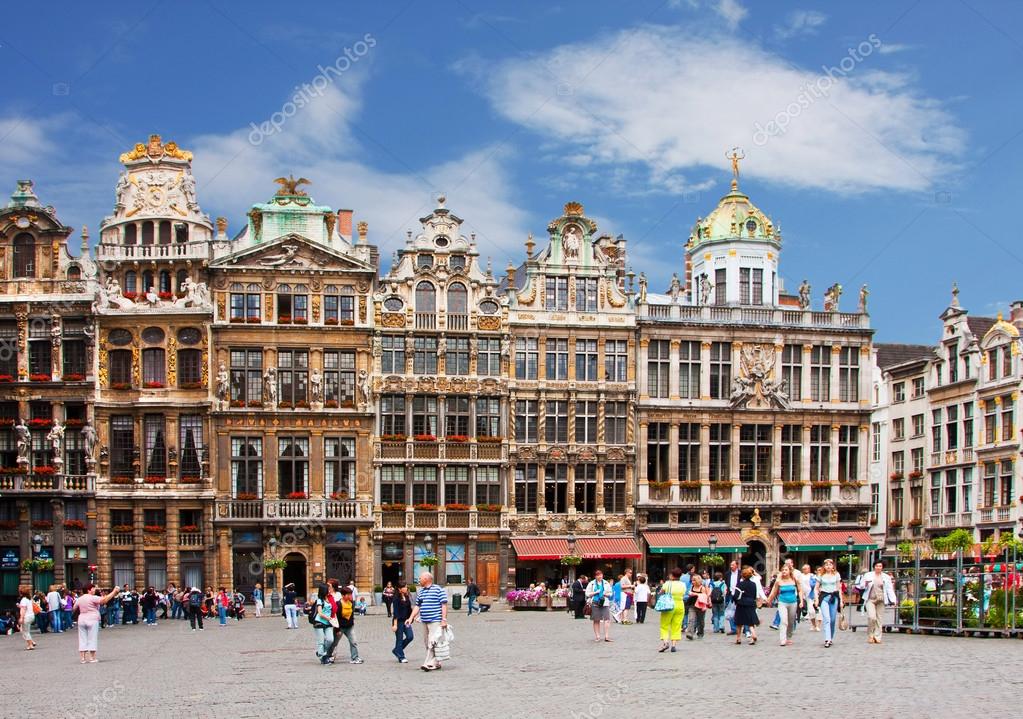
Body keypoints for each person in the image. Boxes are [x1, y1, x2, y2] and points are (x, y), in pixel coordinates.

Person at [406, 571, 448, 672]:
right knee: (426, 641)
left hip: (435, 620)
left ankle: (428, 663)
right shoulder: (421, 591)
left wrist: (444, 619)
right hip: (424, 620)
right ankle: (436, 662)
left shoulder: (438, 589)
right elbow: (417, 606)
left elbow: (444, 605)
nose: (419, 580)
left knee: (432, 641)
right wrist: (411, 618)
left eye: (420, 578)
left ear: (426, 579)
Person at [73, 584, 120, 663]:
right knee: (92, 638)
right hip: (92, 619)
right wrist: (114, 592)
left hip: (81, 619)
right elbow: (104, 600)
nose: (94, 590)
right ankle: (92, 657)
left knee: (82, 638)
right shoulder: (93, 598)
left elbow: (74, 608)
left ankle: (82, 658)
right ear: (88, 590)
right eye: (93, 588)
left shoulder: (80, 599)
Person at [858, 561, 896, 644]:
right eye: (877, 566)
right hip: (870, 599)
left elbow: (890, 589)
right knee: (872, 617)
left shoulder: (886, 577)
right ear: (874, 567)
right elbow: (861, 586)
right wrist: (865, 583)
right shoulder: (868, 575)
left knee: (879, 619)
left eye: (880, 566)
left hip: (881, 599)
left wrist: (893, 600)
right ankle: (870, 635)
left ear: (882, 567)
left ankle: (877, 636)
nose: (878, 567)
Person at [767, 565, 804, 646]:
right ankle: (783, 639)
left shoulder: (794, 579)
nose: (784, 571)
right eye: (783, 570)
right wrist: (768, 600)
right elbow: (773, 592)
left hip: (793, 602)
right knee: (784, 621)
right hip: (782, 602)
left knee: (791, 622)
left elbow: (800, 590)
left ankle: (789, 637)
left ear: (789, 571)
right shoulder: (778, 581)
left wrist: (801, 601)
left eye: (786, 570)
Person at [657, 568, 687, 653]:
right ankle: (674, 645)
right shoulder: (683, 584)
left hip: (669, 605)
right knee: (677, 625)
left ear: (672, 575)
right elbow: (684, 593)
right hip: (680, 605)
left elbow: (661, 592)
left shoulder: (667, 583)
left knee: (664, 625)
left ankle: (666, 642)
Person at [331, 586, 363, 664]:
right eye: (348, 595)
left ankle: (354, 658)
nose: (350, 596)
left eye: (350, 594)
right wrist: (337, 629)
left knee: (354, 642)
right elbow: (336, 617)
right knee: (334, 643)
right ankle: (329, 656)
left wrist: (352, 624)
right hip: (340, 627)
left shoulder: (351, 603)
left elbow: (351, 615)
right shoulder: (338, 604)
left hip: (349, 627)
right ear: (343, 595)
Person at [815, 558, 843, 648]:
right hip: (824, 597)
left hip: (834, 597)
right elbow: (816, 588)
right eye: (826, 565)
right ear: (824, 566)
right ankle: (827, 639)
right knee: (827, 618)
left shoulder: (836, 575)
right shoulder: (821, 575)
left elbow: (839, 588)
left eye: (830, 565)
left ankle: (831, 636)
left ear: (833, 566)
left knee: (833, 619)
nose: (828, 566)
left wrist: (841, 601)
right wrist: (816, 599)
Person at [732, 567, 761, 645]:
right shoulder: (753, 584)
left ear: (742, 576)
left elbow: (736, 595)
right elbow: (754, 595)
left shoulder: (740, 584)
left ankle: (738, 638)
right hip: (751, 603)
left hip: (741, 604)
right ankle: (753, 634)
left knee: (739, 622)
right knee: (750, 621)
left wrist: (735, 601)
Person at [586, 570, 614, 642]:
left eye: (601, 575)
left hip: (604, 602)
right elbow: (587, 593)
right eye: (598, 575)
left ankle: (606, 636)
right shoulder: (592, 583)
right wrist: (595, 592)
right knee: (596, 620)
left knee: (607, 619)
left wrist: (606, 594)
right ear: (595, 576)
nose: (600, 576)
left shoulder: (606, 583)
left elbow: (610, 593)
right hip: (595, 602)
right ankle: (597, 636)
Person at [311, 584, 335, 664]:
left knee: (330, 639)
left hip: (328, 623)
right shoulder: (319, 600)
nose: (329, 591)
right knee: (321, 642)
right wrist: (327, 618)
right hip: (319, 622)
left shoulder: (329, 598)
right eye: (328, 589)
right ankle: (323, 658)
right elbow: (320, 613)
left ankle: (320, 651)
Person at [391, 580, 414, 663]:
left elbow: (409, 609)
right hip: (399, 621)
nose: (406, 588)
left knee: (410, 636)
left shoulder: (406, 596)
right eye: (404, 587)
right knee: (399, 639)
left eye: (406, 586)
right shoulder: (396, 598)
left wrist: (412, 618)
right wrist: (395, 625)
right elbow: (396, 612)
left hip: (406, 621)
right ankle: (401, 656)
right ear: (400, 589)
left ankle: (397, 650)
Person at [685, 573, 710, 640]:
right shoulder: (692, 587)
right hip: (692, 605)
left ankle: (700, 633)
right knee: (691, 619)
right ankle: (690, 633)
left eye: (694, 580)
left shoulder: (702, 588)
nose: (692, 582)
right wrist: (690, 594)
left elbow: (704, 596)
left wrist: (694, 594)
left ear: (698, 581)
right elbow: (690, 594)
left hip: (700, 606)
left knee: (700, 621)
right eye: (692, 580)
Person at [17, 586, 36, 650]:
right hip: (31, 615)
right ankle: (31, 642)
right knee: (25, 630)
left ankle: (30, 644)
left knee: (25, 631)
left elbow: (24, 609)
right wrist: (20, 606)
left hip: (26, 617)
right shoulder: (29, 599)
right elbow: (27, 607)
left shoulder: (23, 600)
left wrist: (21, 618)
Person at [724, 560, 740, 635]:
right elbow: (727, 584)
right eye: (731, 565)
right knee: (730, 611)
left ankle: (742, 627)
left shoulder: (740, 573)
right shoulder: (727, 574)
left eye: (733, 565)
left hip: (739, 594)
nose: (731, 566)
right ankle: (733, 629)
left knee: (740, 611)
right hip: (730, 594)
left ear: (737, 565)